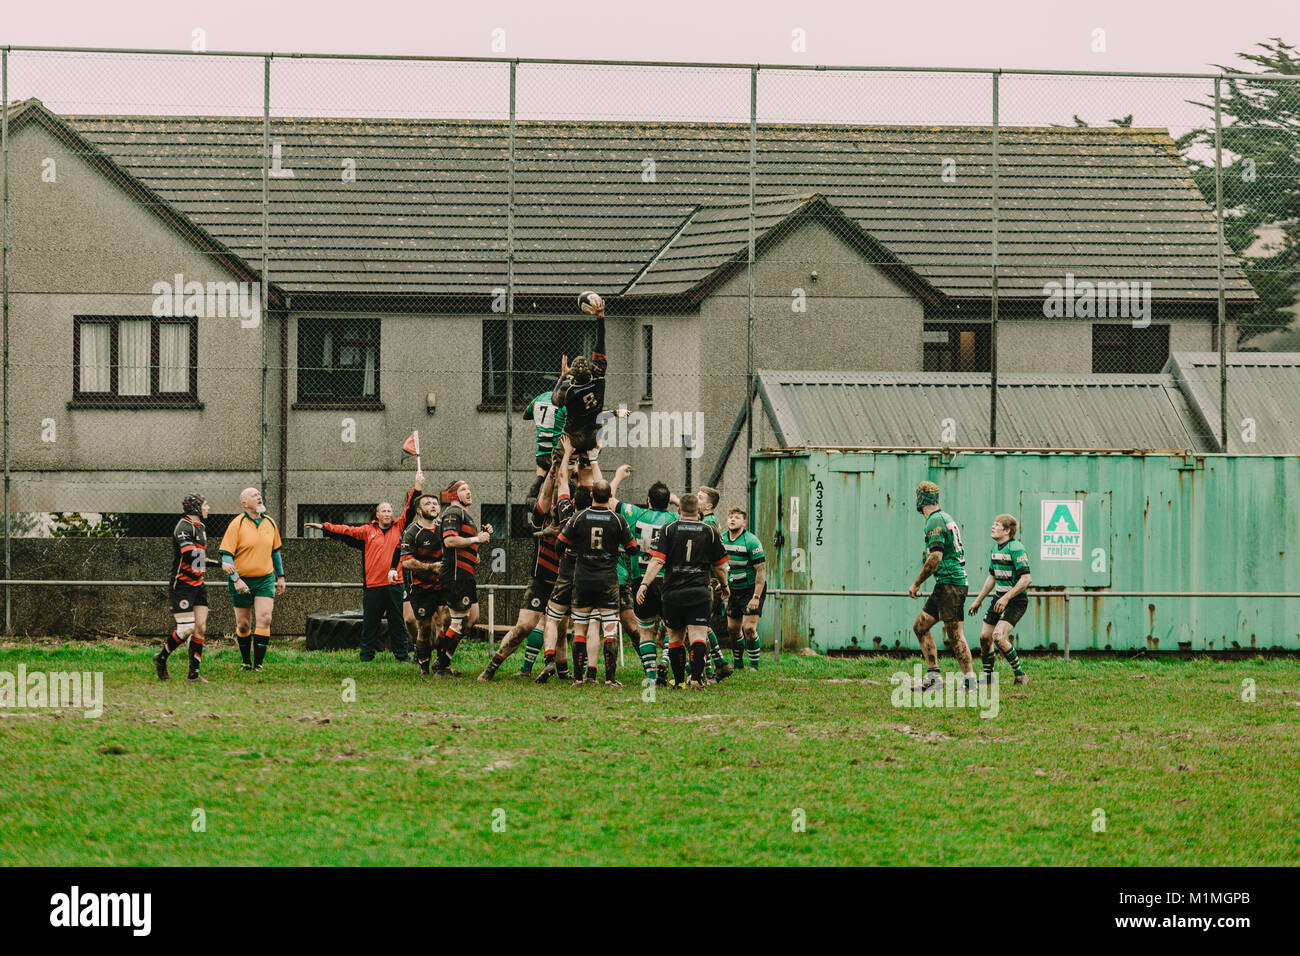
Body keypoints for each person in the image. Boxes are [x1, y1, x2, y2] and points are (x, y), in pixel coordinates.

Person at [479, 441, 578, 680]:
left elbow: (567, 487)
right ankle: (492, 667)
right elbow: (545, 494)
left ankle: (561, 672)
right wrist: (554, 469)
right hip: (541, 578)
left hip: (564, 579)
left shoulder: (574, 515)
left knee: (562, 628)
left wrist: (569, 461)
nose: (553, 495)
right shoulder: (543, 514)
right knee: (524, 626)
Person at [306, 474, 423, 662]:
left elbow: (410, 509)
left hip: (395, 585)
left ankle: (402, 656)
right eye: (383, 511)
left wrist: (417, 487)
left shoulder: (400, 527)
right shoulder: (367, 531)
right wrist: (323, 526)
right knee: (370, 624)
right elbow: (344, 531)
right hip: (373, 586)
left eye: (389, 511)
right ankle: (366, 657)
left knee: (398, 623)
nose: (387, 513)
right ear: (377, 515)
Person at [639, 493, 729, 689]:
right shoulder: (710, 531)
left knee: (675, 637)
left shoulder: (668, 529)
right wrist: (724, 585)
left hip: (673, 592)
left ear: (678, 510)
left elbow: (657, 560)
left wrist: (644, 584)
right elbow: (720, 566)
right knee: (698, 634)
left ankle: (679, 681)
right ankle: (696, 679)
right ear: (698, 511)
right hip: (699, 591)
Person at [556, 479, 638, 685]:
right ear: (610, 497)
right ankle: (610, 679)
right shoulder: (618, 519)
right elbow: (632, 548)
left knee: (580, 628)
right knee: (609, 628)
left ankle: (578, 678)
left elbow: (560, 543)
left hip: (582, 579)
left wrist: (569, 551)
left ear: (592, 496)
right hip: (607, 581)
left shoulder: (578, 517)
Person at [907, 480, 976, 692]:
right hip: (945, 584)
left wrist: (916, 583)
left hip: (951, 584)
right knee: (920, 626)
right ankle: (933, 677)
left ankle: (970, 682)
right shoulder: (943, 518)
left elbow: (935, 557)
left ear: (920, 499)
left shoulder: (934, 521)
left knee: (955, 635)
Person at [218, 488, 286, 672]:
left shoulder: (270, 522)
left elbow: (275, 552)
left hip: (264, 579)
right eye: (254, 495)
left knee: (265, 617)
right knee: (243, 624)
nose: (259, 497)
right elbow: (226, 556)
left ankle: (258, 664)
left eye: (259, 494)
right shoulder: (236, 524)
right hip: (241, 581)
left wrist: (281, 577)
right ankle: (246, 661)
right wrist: (236, 579)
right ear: (244, 503)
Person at [968, 514, 1031, 686]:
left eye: (997, 525)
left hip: (1015, 601)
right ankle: (988, 677)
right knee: (984, 637)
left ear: (1007, 530)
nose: (993, 527)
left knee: (998, 636)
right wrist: (978, 600)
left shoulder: (1016, 548)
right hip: (999, 598)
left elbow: (1026, 579)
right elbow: (992, 577)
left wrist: (1006, 597)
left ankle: (1020, 675)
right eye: (993, 524)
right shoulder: (995, 549)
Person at [153, 492, 211, 683]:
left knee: (200, 628)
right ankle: (161, 657)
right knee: (186, 629)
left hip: (198, 585)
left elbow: (198, 563)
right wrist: (220, 564)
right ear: (196, 508)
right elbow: (190, 556)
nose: (208, 507)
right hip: (183, 585)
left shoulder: (201, 527)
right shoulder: (183, 527)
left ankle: (193, 675)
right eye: (205, 505)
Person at [437, 480, 491, 676]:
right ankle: (442, 665)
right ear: (453, 495)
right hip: (455, 574)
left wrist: (475, 547)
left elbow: (463, 543)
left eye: (469, 489)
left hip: (466, 574)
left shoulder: (465, 514)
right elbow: (450, 540)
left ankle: (442, 660)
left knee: (472, 619)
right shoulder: (453, 512)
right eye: (463, 490)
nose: (468, 492)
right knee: (458, 621)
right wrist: (477, 539)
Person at [400, 493, 448, 675]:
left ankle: (442, 665)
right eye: (428, 504)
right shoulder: (412, 532)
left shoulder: (445, 528)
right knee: (425, 629)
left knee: (447, 621)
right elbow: (406, 562)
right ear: (419, 510)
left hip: (443, 585)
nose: (433, 506)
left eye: (435, 503)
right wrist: (430, 567)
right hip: (421, 588)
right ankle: (424, 667)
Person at [722, 506, 767, 672]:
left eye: (737, 517)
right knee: (733, 629)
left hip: (751, 589)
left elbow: (761, 570)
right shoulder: (722, 539)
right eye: (730, 517)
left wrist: (756, 596)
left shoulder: (752, 541)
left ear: (744, 522)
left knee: (748, 628)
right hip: (734, 589)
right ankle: (738, 663)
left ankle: (754, 665)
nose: (732, 520)